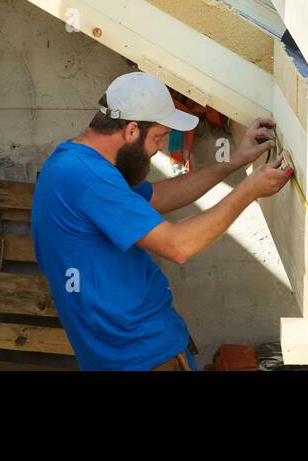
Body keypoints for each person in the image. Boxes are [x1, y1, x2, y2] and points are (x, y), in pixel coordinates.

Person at [30, 71, 292, 370]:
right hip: (140, 355)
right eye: (158, 138)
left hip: (127, 352)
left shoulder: (73, 164)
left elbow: (159, 195)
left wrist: (236, 160)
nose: (158, 149)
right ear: (131, 131)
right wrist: (249, 192)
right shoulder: (90, 179)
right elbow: (178, 246)